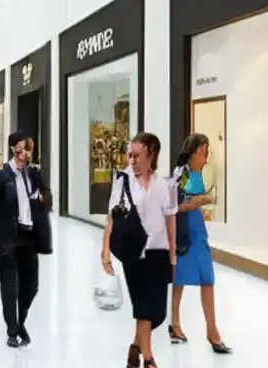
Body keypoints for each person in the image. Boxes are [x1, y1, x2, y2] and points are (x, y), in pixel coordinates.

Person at [102, 133, 177, 368]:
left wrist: (173, 256)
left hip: (159, 252)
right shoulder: (122, 181)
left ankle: (135, 347)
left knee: (157, 313)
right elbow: (111, 218)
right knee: (143, 306)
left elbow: (171, 222)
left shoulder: (166, 185)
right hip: (134, 253)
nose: (131, 160)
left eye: (137, 155)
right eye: (129, 155)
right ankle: (149, 358)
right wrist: (105, 249)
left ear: (151, 154)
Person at [0, 132, 52, 348]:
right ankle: (13, 329)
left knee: (32, 286)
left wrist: (43, 199)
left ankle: (20, 322)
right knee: (10, 286)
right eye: (20, 149)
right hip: (8, 237)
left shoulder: (34, 174)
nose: (24, 154)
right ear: (13, 149)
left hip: (29, 237)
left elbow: (47, 198)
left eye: (28, 149)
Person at [169, 134, 231, 354]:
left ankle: (205, 329)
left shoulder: (193, 174)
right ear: (195, 152)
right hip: (187, 232)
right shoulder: (184, 174)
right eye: (204, 152)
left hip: (195, 231)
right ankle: (183, 325)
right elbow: (175, 204)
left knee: (201, 277)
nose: (206, 157)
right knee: (187, 278)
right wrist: (202, 200)